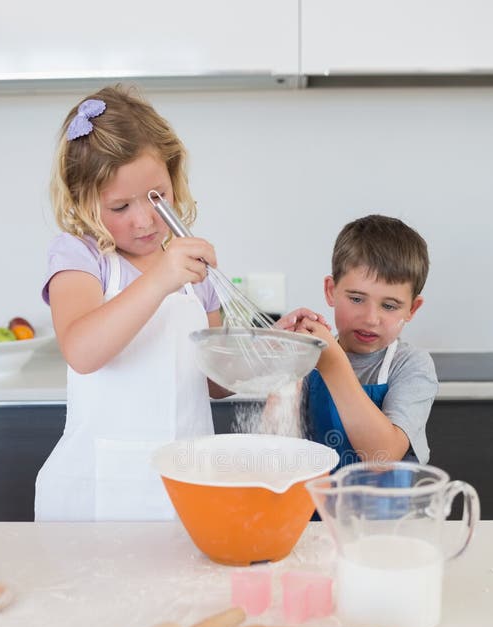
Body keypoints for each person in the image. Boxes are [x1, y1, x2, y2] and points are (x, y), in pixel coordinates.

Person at [35, 84, 320, 521]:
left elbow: (211, 381)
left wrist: (266, 350)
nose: (144, 219)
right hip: (96, 497)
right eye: (120, 206)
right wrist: (160, 278)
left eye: (156, 197)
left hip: (184, 489)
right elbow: (81, 350)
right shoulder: (81, 255)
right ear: (82, 200)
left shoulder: (189, 265)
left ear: (174, 177)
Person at [292, 214, 438, 469]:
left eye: (390, 306)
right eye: (357, 299)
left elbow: (382, 457)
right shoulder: (306, 356)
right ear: (330, 291)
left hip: (384, 508)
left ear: (412, 309)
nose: (371, 319)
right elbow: (279, 444)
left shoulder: (411, 365)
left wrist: (333, 364)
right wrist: (282, 360)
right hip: (313, 506)